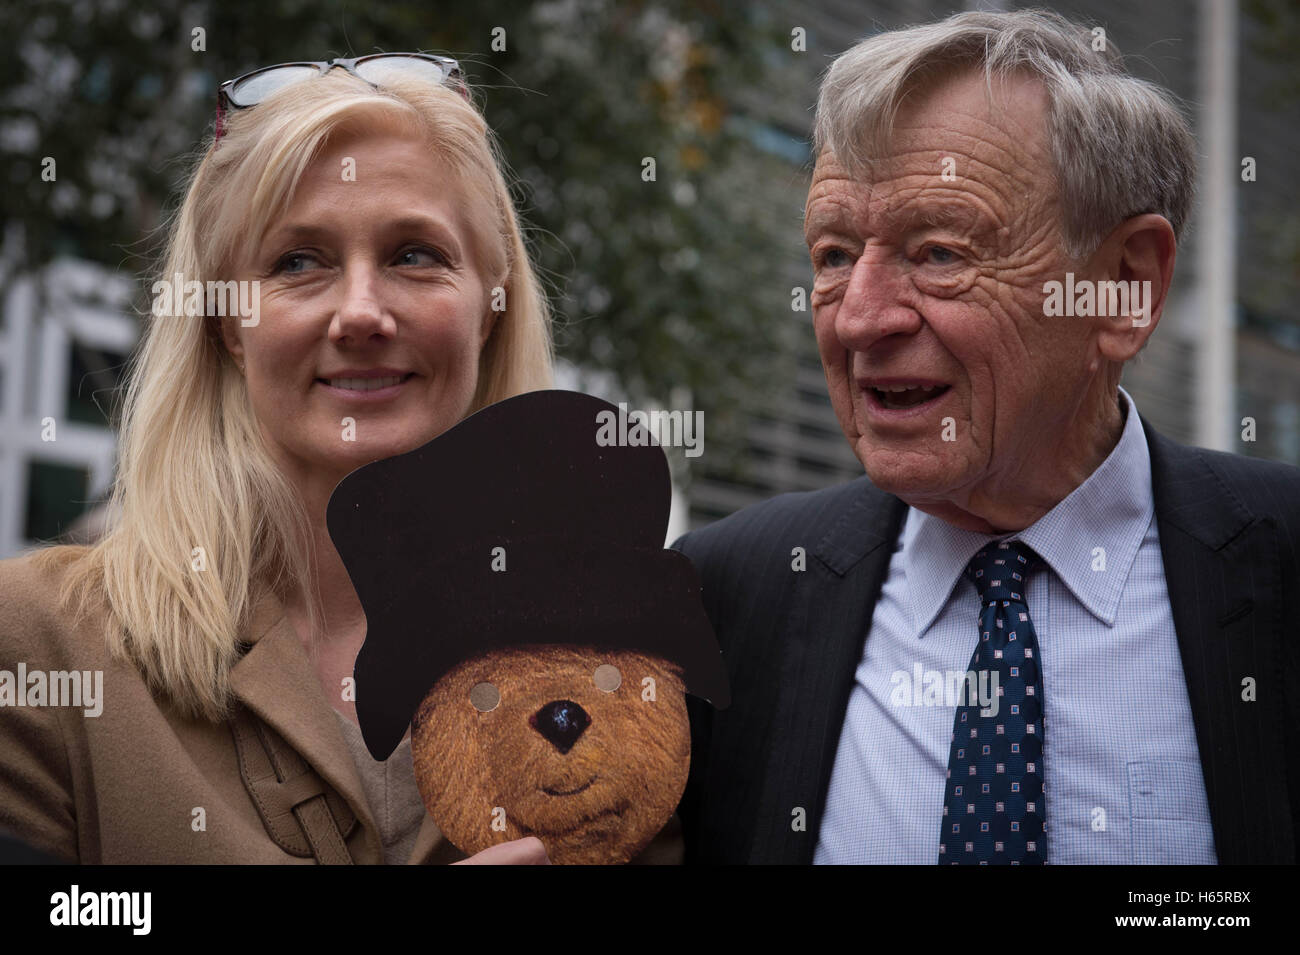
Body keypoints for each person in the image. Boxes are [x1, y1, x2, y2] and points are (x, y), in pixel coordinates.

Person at [673, 10, 1300, 865]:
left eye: (937, 252)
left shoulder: (1282, 570)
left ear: (1124, 287)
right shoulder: (723, 597)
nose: (859, 317)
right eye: (832, 255)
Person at [0, 54, 557, 864]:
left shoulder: (606, 655)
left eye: (414, 255)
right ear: (229, 323)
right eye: (298, 262)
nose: (360, 312)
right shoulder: (38, 645)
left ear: (490, 309)